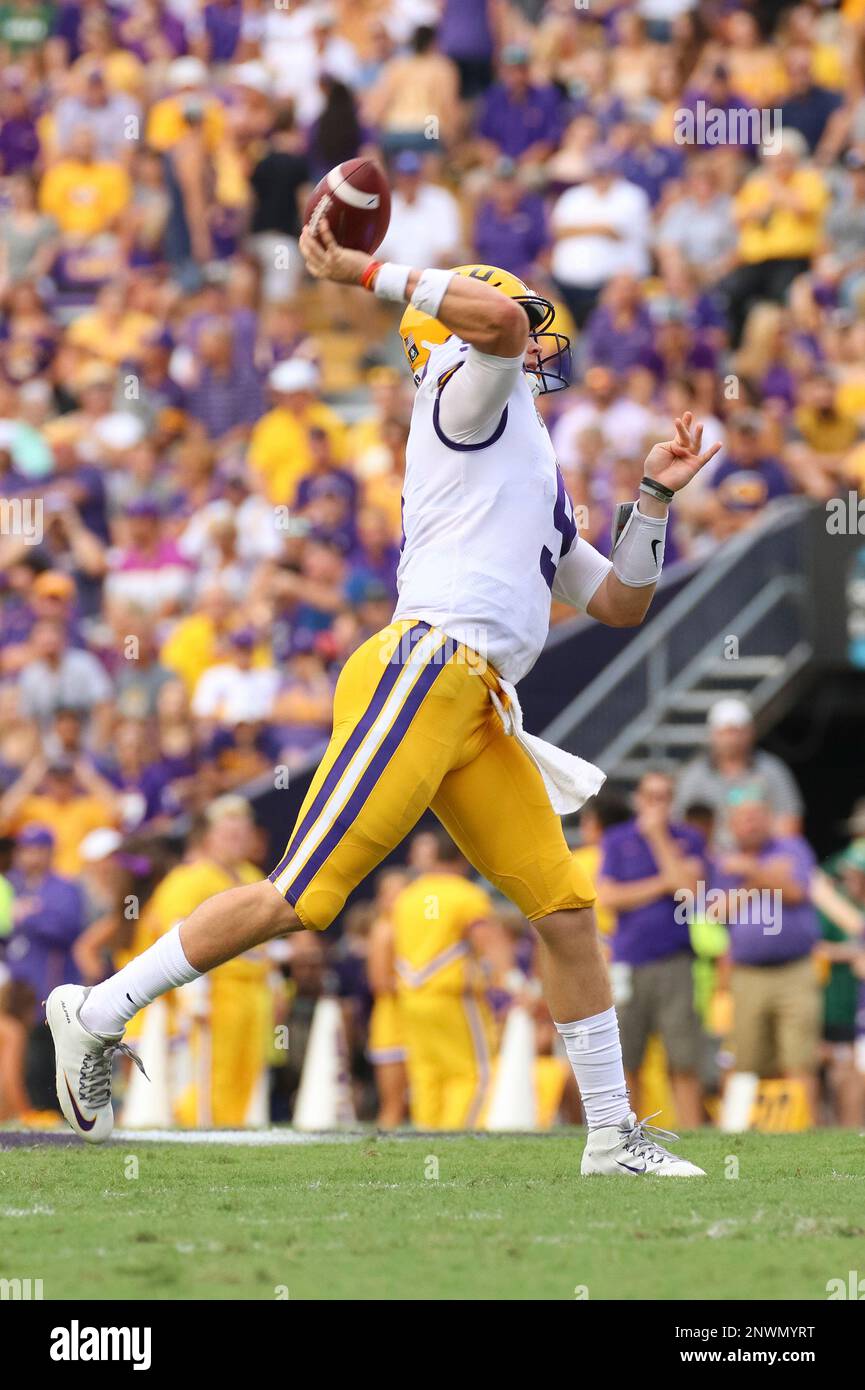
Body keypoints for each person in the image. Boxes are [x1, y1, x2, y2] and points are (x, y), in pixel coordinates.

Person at [48, 218, 720, 1178]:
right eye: (522, 318)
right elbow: (487, 324)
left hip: (477, 700)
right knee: (304, 898)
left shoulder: (522, 449)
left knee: (566, 909)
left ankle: (611, 1136)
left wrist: (651, 503)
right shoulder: (462, 385)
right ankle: (97, 1009)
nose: (537, 336)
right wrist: (370, 269)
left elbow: (614, 602)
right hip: (423, 667)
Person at [596, 771, 706, 1127]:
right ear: (638, 798)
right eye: (650, 796)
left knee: (683, 1057)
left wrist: (658, 838)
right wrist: (664, 882)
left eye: (664, 797)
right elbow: (609, 897)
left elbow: (689, 892)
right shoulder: (617, 839)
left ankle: (692, 1133)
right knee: (628, 1059)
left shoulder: (687, 837)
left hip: (675, 960)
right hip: (629, 959)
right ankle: (631, 1134)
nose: (656, 804)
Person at [711, 790, 821, 1116]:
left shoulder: (792, 847)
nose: (751, 824)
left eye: (757, 816)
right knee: (745, 1059)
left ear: (769, 818)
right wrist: (766, 876)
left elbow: (794, 891)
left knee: (799, 1059)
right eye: (743, 818)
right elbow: (717, 910)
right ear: (731, 824)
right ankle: (737, 1135)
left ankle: (806, 1135)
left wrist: (747, 869)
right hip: (747, 974)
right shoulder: (722, 862)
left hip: (796, 971)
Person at [391, 830, 500, 1130]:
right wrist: (507, 982)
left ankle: (428, 1140)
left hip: (411, 999)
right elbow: (488, 944)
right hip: (454, 998)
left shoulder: (407, 896)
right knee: (473, 1073)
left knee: (426, 1075)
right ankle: (457, 1138)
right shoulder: (466, 894)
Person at [674, 697, 804, 848]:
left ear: (750, 732)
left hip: (762, 859)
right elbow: (680, 825)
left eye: (736, 731)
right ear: (712, 734)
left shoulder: (772, 770)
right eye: (725, 732)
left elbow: (789, 825)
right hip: (711, 861)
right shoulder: (693, 776)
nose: (731, 739)